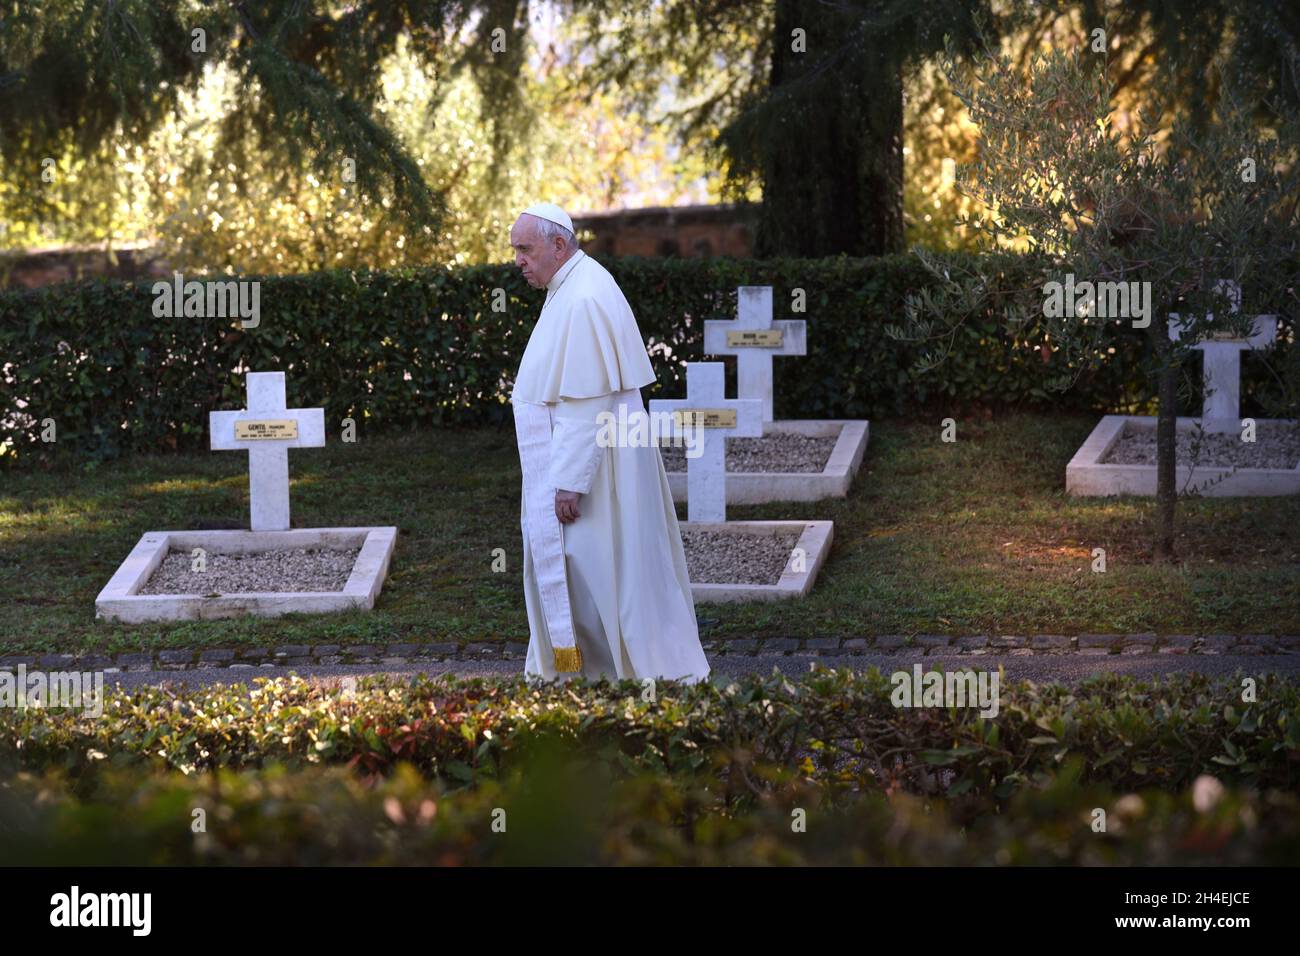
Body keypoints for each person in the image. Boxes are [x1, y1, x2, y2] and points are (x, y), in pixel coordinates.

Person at [508, 202, 709, 685]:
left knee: (600, 572)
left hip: (598, 471)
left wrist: (568, 484)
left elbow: (585, 402)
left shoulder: (583, 297)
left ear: (559, 245)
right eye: (515, 250)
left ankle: (609, 674)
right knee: (607, 571)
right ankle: (593, 671)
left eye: (525, 249)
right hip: (602, 460)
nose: (518, 261)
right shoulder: (575, 284)